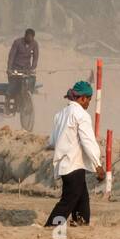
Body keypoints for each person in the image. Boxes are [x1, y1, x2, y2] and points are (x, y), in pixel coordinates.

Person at [43, 80, 103, 228]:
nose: (88, 103)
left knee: (82, 197)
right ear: (82, 98)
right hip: (73, 164)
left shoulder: (60, 114)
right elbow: (88, 141)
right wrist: (98, 165)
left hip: (66, 164)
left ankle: (81, 222)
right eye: (88, 99)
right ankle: (51, 226)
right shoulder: (81, 115)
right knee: (69, 199)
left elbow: (52, 141)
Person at [7, 28, 39, 103]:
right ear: (25, 36)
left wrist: (32, 68)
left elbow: (35, 58)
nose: (29, 39)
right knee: (13, 85)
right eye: (28, 37)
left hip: (27, 69)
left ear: (33, 37)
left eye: (31, 38)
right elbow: (11, 56)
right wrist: (9, 68)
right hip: (16, 68)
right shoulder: (17, 42)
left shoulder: (34, 44)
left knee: (32, 78)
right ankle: (7, 100)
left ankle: (29, 94)